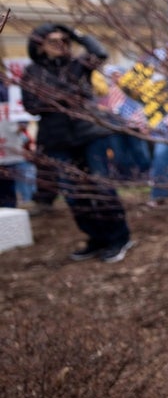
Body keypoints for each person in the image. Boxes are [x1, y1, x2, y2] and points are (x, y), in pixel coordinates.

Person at [20, 24, 134, 262]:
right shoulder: (32, 72)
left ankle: (118, 238)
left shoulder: (77, 66)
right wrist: (69, 96)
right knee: (74, 193)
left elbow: (99, 54)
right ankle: (96, 238)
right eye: (53, 41)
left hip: (90, 135)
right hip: (57, 140)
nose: (61, 45)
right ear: (39, 46)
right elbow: (32, 104)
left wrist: (77, 34)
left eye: (64, 40)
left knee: (102, 188)